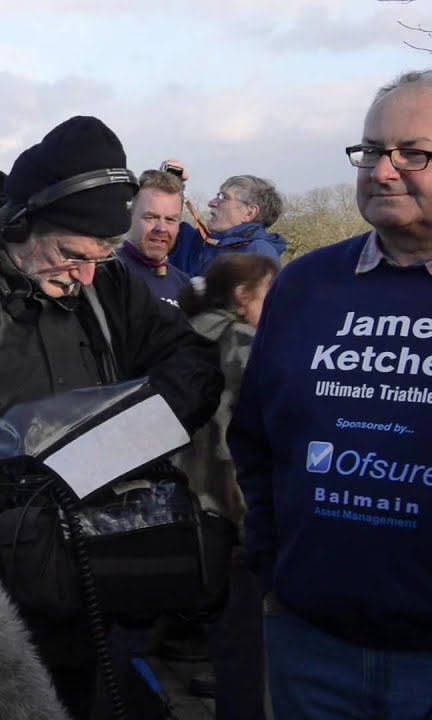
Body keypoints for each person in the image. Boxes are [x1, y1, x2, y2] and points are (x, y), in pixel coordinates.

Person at [0, 115, 224, 720]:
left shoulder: (104, 284)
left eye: (100, 258)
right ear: (17, 224)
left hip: (88, 600)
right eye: (69, 255)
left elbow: (193, 363)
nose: (83, 277)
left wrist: (122, 437)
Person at [228, 69, 432, 720]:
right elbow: (254, 439)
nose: (383, 170)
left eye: (414, 153)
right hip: (310, 649)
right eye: (371, 150)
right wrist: (274, 574)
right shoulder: (306, 285)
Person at [173, 253, 279, 720]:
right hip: (237, 524)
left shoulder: (183, 339)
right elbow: (239, 449)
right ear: (243, 297)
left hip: (189, 521)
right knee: (249, 655)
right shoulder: (244, 346)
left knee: (226, 647)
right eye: (269, 294)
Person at [162, 161, 287, 277]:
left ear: (249, 213)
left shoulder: (257, 253)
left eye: (223, 197)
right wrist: (167, 187)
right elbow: (152, 225)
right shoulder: (197, 243)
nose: (211, 203)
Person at [115, 169, 190, 306]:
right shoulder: (105, 274)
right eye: (151, 217)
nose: (161, 228)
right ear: (129, 216)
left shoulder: (185, 286)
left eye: (170, 220)